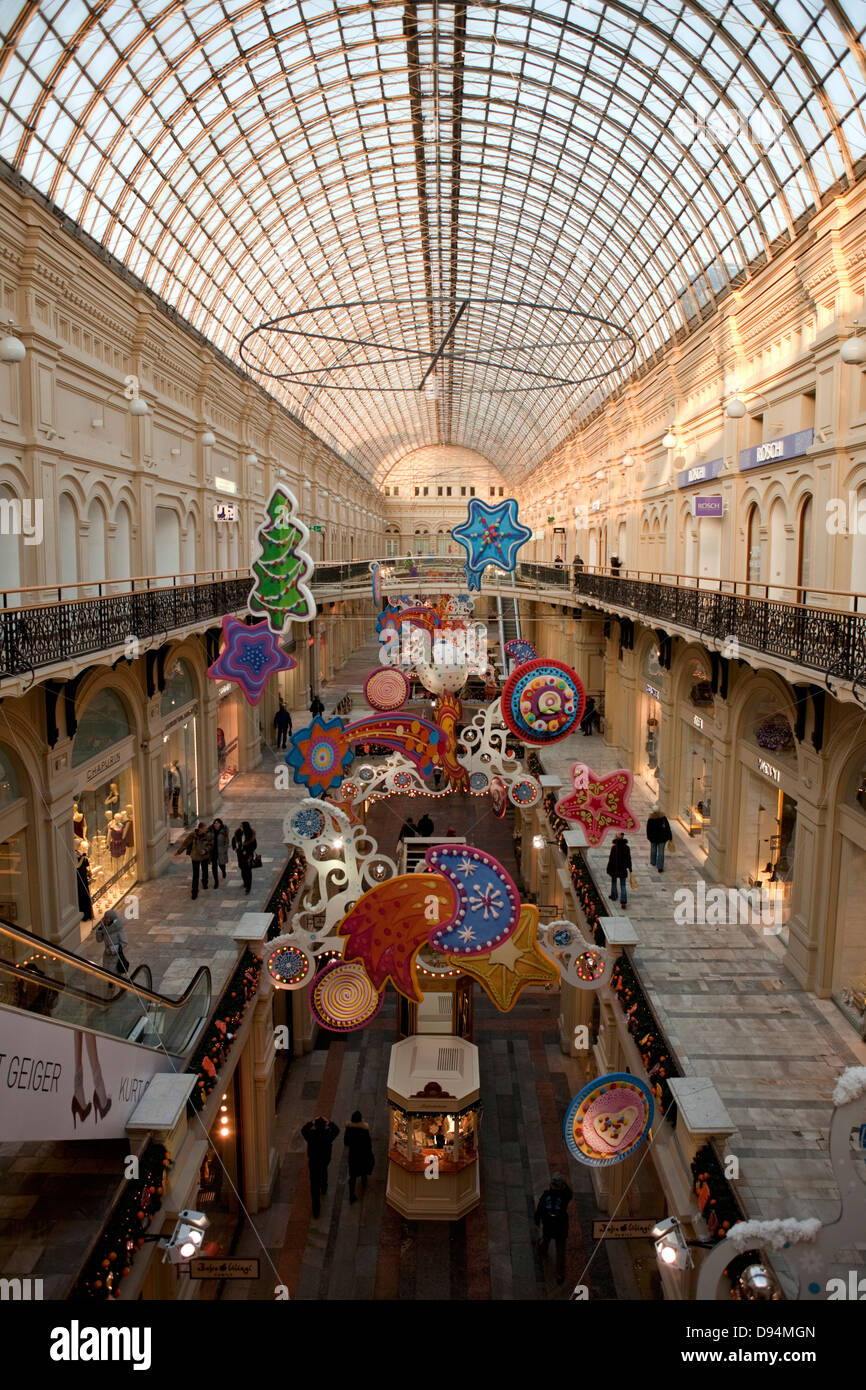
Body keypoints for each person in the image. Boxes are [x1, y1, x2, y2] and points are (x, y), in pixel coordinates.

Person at [535, 1172, 573, 1284]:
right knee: (559, 1250)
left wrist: (537, 1220)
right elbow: (569, 1193)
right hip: (558, 1226)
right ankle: (559, 1274)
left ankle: (542, 1250)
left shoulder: (547, 1195)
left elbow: (540, 1209)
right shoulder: (563, 1196)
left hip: (551, 1225)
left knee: (548, 1242)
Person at [301, 1115, 340, 1218]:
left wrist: (311, 1122)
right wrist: (329, 1122)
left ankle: (316, 1210)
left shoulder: (311, 1136)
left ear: (315, 1126)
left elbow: (303, 1130)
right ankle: (324, 1188)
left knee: (314, 1186)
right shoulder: (328, 1136)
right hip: (324, 1161)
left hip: (313, 1163)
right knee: (324, 1173)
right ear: (324, 1126)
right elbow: (337, 1130)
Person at [177, 820, 214, 899]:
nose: (206, 830)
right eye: (204, 828)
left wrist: (205, 850)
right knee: (195, 875)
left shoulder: (208, 835)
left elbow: (211, 845)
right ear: (200, 829)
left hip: (204, 856)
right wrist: (179, 852)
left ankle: (205, 882)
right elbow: (185, 843)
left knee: (205, 871)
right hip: (195, 857)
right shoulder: (193, 835)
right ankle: (194, 892)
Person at [344, 1110, 374, 1203]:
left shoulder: (349, 1129)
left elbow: (346, 1142)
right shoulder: (364, 1130)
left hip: (353, 1155)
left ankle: (351, 1195)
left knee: (352, 1176)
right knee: (363, 1169)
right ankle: (364, 1181)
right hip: (363, 1154)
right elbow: (368, 1144)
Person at [95, 909, 129, 976]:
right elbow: (99, 940)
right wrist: (100, 930)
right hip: (106, 955)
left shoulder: (118, 929)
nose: (106, 920)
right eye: (105, 918)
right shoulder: (105, 928)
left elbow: (124, 942)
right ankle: (110, 985)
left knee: (115, 974)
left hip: (115, 956)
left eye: (108, 918)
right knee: (107, 973)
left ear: (112, 919)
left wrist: (113, 949)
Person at [606, 831, 632, 906]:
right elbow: (628, 859)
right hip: (623, 869)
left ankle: (614, 895)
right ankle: (623, 900)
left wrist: (608, 868)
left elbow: (611, 859)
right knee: (623, 885)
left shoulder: (614, 848)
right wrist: (630, 868)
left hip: (614, 868)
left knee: (614, 882)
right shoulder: (627, 848)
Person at [232, 821, 257, 894]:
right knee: (242, 868)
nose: (240, 827)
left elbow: (254, 846)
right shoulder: (238, 833)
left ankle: (248, 887)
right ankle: (245, 882)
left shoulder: (251, 835)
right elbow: (233, 841)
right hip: (240, 855)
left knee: (248, 870)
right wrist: (235, 848)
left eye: (241, 826)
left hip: (248, 856)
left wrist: (247, 851)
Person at [646, 807, 673, 873]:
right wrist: (670, 837)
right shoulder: (663, 818)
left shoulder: (651, 819)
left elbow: (648, 829)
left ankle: (653, 862)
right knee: (661, 852)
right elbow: (668, 828)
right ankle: (660, 867)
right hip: (662, 838)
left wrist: (649, 837)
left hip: (653, 838)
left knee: (653, 850)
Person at [210, 817, 229, 886]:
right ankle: (216, 882)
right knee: (214, 866)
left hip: (221, 851)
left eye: (217, 823)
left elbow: (226, 842)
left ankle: (223, 871)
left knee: (221, 865)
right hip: (213, 852)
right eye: (214, 823)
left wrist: (224, 850)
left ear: (220, 824)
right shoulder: (211, 830)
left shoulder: (224, 831)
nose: (215, 824)